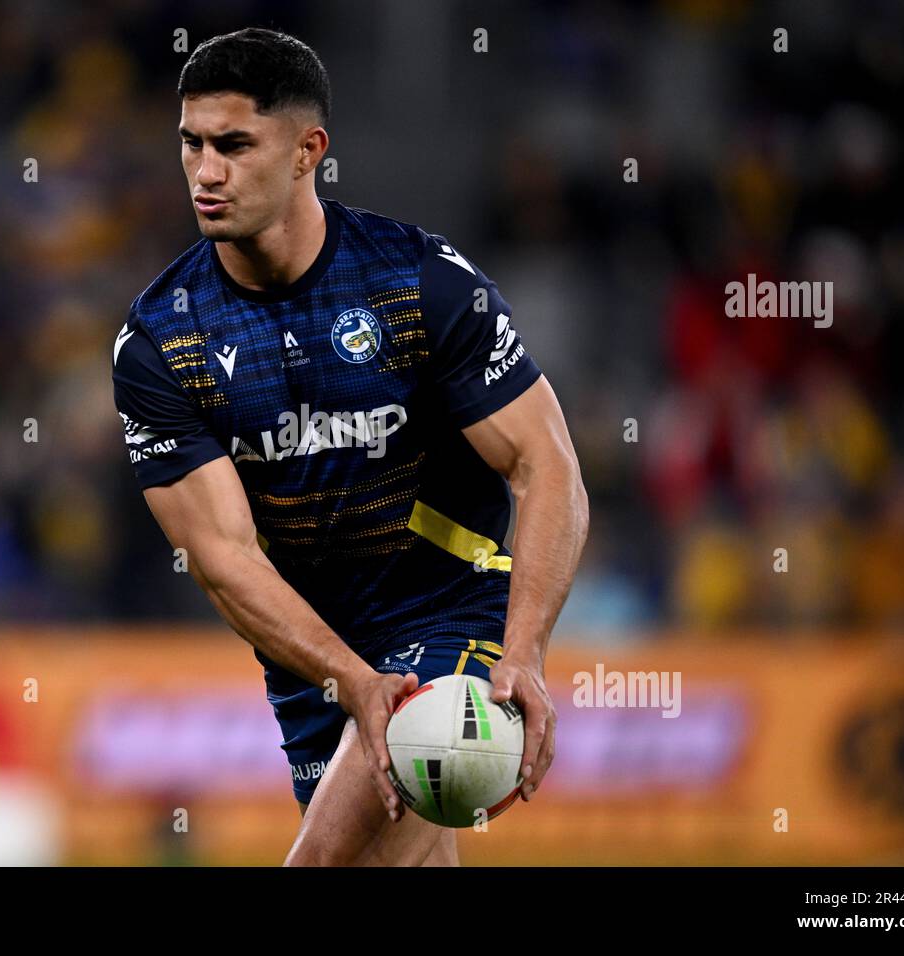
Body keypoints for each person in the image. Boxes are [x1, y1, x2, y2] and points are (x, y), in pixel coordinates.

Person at [111, 27, 588, 865]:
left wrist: (526, 653)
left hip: (449, 614)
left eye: (233, 145)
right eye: (191, 144)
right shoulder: (161, 343)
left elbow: (545, 465)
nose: (205, 172)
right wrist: (351, 679)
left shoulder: (420, 284)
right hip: (309, 653)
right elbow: (224, 558)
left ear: (307, 152)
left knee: (326, 863)